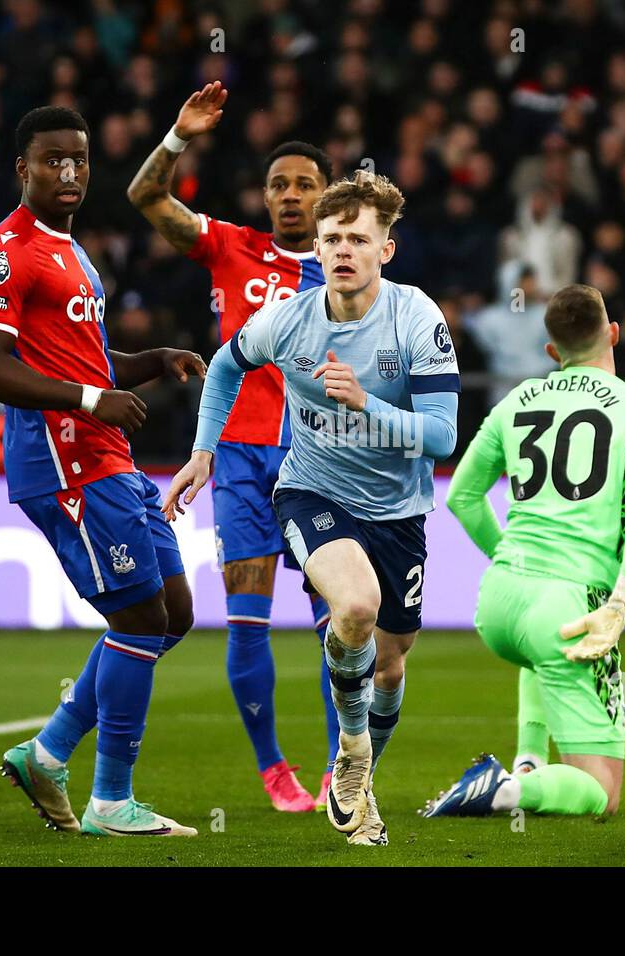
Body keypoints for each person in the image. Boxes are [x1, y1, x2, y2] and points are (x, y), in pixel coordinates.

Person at [163, 170, 459, 846]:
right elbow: (227, 364)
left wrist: (367, 404)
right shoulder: (287, 321)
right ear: (317, 249)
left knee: (391, 659)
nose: (342, 250)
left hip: (398, 511)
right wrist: (205, 451)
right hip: (311, 491)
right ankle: (350, 756)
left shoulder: (417, 318)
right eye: (331, 238)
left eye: (358, 237)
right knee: (352, 609)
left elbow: (442, 436)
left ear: (386, 248)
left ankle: (361, 775)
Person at [0, 106, 206, 838]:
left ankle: (48, 753)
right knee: (137, 617)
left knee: (174, 615)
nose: (68, 172)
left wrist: (151, 362)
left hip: (106, 457)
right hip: (63, 463)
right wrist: (91, 397)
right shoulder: (6, 253)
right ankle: (110, 802)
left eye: (79, 160)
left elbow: (85, 363)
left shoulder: (72, 250)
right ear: (22, 168)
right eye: (52, 160)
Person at [126, 80, 340, 812]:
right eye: (278, 184)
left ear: (327, 197)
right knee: (248, 618)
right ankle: (274, 769)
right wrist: (179, 136)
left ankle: (344, 764)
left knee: (339, 625)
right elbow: (147, 199)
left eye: (304, 185)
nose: (288, 196)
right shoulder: (231, 247)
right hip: (243, 458)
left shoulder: (351, 273)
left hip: (323, 459)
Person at [424, 284, 625, 818]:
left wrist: (510, 560)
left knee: (538, 650)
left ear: (552, 353)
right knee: (601, 794)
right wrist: (621, 605)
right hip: (570, 609)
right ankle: (509, 790)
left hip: (499, 602)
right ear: (614, 334)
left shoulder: (516, 400)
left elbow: (462, 496)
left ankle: (529, 760)